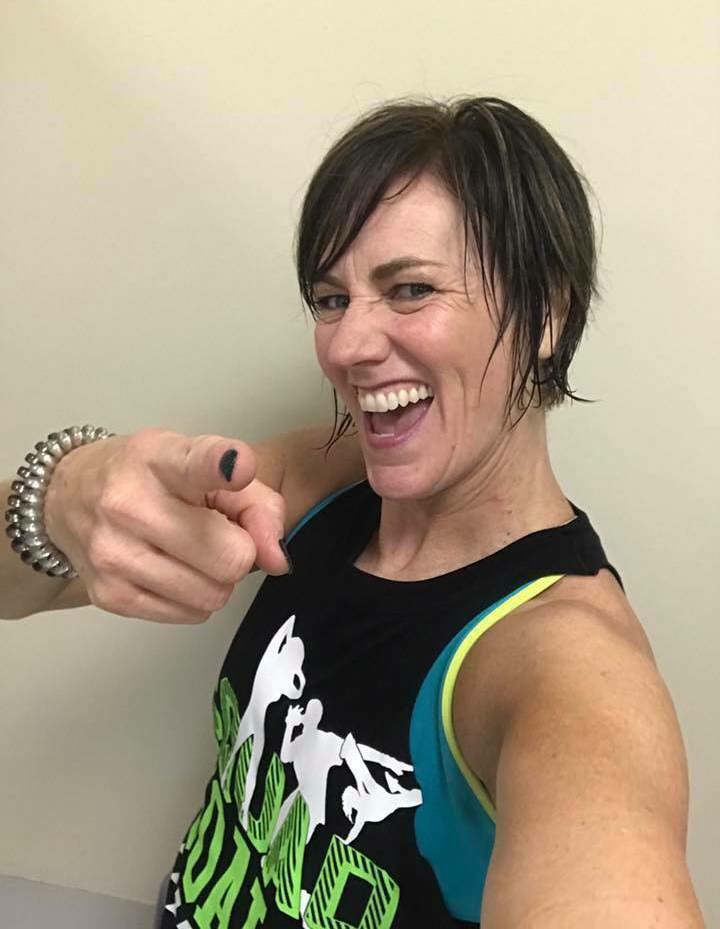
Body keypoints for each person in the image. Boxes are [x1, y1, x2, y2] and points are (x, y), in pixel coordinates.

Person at [2, 97, 704, 928]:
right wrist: (61, 496)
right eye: (331, 299)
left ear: (546, 315)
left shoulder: (564, 664)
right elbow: (17, 589)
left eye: (410, 289)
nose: (344, 346)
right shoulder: (322, 480)